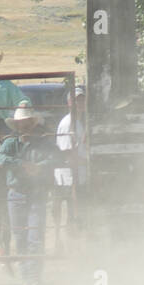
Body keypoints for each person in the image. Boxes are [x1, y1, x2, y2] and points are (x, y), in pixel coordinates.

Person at [0, 102, 55, 285]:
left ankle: (33, 279)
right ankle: (27, 280)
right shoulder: (10, 142)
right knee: (21, 238)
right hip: (18, 194)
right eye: (22, 123)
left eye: (28, 122)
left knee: (34, 237)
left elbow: (55, 157)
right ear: (18, 125)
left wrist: (39, 167)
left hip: (34, 194)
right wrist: (22, 164)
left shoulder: (43, 142)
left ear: (32, 123)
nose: (25, 125)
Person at [54, 84, 87, 230]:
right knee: (73, 213)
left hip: (77, 174)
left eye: (82, 100)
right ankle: (70, 245)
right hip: (68, 177)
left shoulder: (79, 122)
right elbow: (67, 154)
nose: (80, 103)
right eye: (76, 100)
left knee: (77, 213)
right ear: (69, 103)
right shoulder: (68, 123)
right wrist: (89, 162)